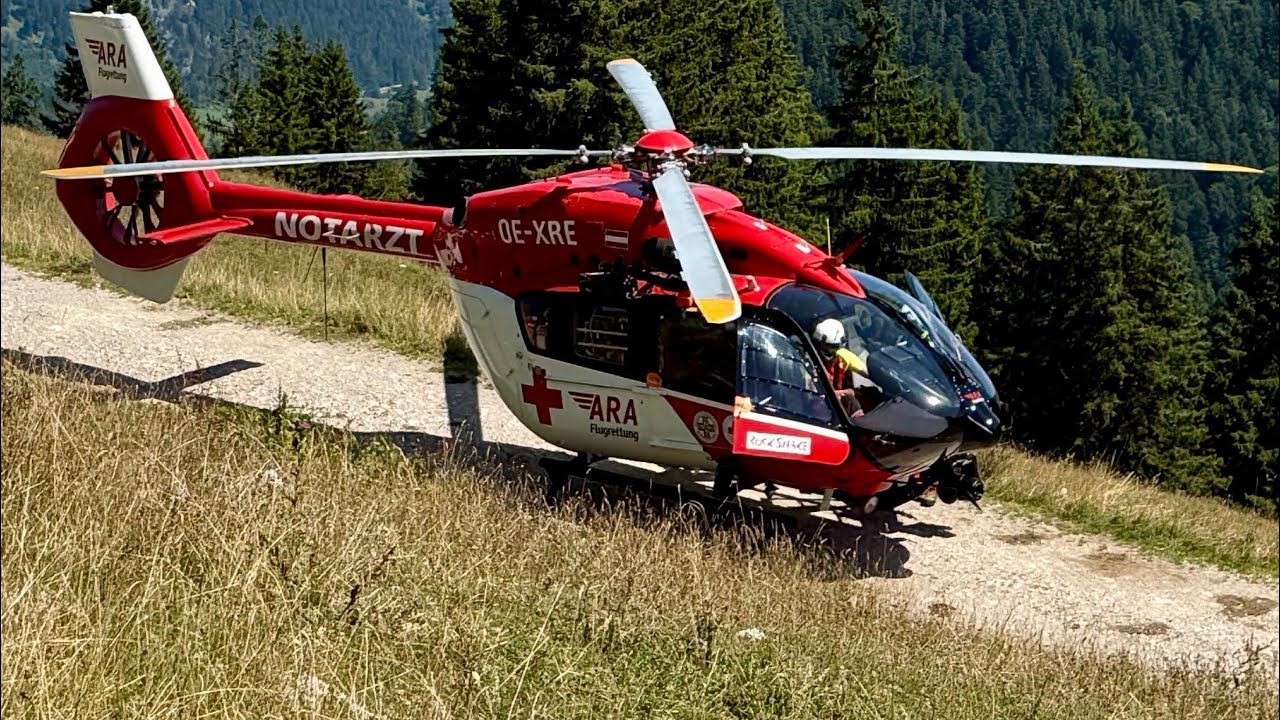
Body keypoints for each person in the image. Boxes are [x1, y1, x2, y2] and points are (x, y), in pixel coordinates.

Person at [812, 318, 869, 417]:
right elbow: (810, 394)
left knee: (871, 393)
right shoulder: (810, 361)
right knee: (850, 400)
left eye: (835, 346)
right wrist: (844, 393)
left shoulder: (843, 355)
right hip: (819, 403)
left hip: (839, 397)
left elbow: (868, 372)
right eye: (827, 346)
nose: (831, 350)